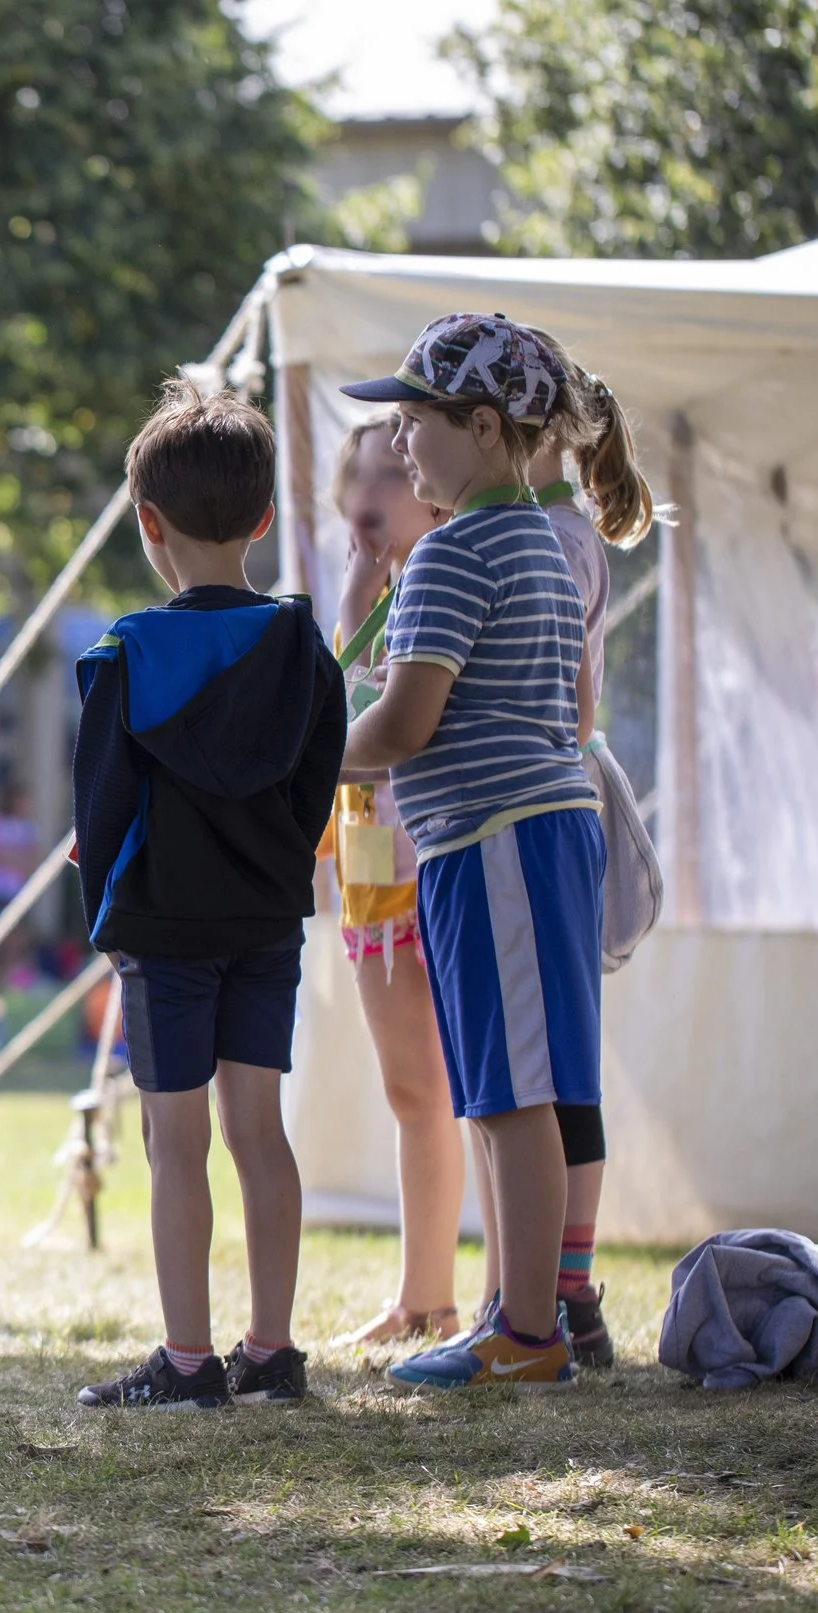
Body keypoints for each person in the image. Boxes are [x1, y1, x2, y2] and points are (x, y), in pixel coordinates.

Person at [340, 313, 603, 1392]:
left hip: (496, 843)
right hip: (508, 841)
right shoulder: (534, 538)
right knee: (502, 1087)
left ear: (484, 427)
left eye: (414, 423)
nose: (400, 446)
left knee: (508, 1094)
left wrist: (304, 766)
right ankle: (514, 1310)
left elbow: (403, 723)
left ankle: (529, 1330)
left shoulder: (452, 550)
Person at [69, 382, 345, 1411]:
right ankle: (270, 1351)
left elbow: (99, 812)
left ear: (148, 523)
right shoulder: (303, 650)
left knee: (171, 1140)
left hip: (164, 930)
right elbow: (315, 787)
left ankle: (186, 1362)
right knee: (257, 1130)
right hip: (267, 922)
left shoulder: (122, 656)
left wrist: (107, 909)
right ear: (264, 517)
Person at [522, 330, 658, 1370]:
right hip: (566, 793)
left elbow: (561, 697)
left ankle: (563, 1287)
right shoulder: (568, 529)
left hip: (550, 799)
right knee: (563, 1063)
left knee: (557, 1067)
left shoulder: (551, 536)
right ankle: (561, 1285)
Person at [323, 416, 464, 1350]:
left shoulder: (451, 575)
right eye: (360, 473)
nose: (375, 492)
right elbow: (336, 683)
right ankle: (425, 1294)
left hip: (445, 858)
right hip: (373, 872)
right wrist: (358, 582)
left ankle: (490, 1294)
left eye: (393, 470)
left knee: (470, 1088)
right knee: (411, 1088)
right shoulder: (375, 589)